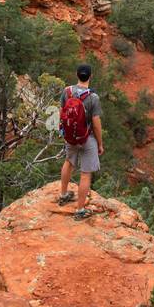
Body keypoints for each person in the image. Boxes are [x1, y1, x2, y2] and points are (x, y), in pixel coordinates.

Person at [57, 63, 103, 220]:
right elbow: (96, 123)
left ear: (77, 75)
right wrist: (100, 143)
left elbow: (61, 112)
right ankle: (80, 210)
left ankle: (63, 194)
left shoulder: (67, 91)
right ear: (90, 76)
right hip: (87, 138)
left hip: (70, 136)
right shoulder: (93, 97)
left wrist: (63, 130)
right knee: (85, 173)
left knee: (68, 162)